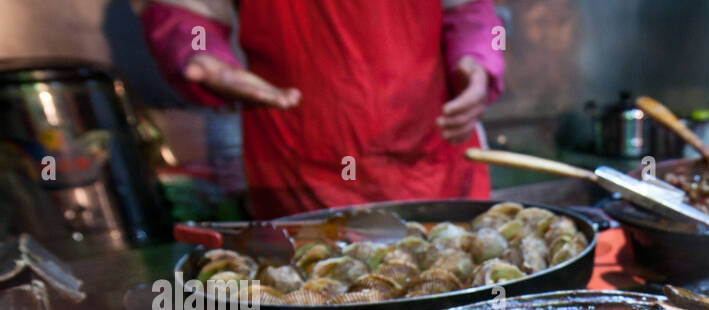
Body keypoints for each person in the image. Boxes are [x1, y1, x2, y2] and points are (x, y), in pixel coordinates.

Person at [136, 0, 506, 217]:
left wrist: (477, 58)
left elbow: (476, 12)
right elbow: (186, 12)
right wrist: (200, 53)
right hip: (300, 166)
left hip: (432, 154)